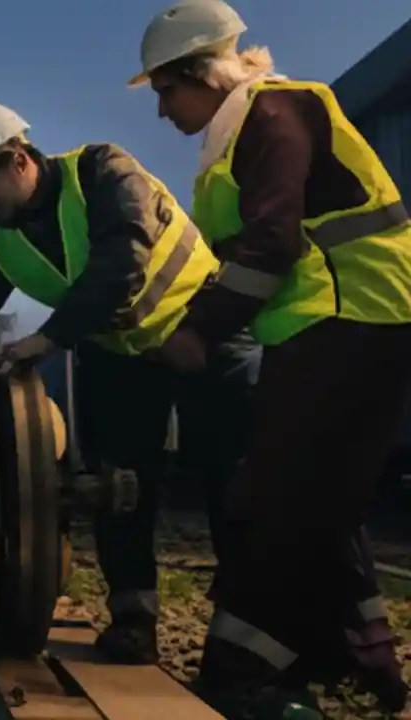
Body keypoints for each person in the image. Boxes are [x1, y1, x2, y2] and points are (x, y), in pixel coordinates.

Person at [0, 101, 260, 665]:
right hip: (119, 352)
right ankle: (134, 617)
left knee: (235, 479)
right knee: (121, 484)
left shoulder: (105, 172)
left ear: (17, 159)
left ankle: (243, 639)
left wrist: (49, 337)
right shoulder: (1, 242)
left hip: (207, 331)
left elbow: (121, 263)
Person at [131, 0, 411, 716]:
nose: (162, 111)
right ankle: (353, 653)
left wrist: (200, 330)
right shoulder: (241, 136)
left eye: (166, 89)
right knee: (319, 502)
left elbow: (272, 244)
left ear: (204, 74)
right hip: (335, 326)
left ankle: (244, 676)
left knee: (276, 502)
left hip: (351, 319)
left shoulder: (274, 114)